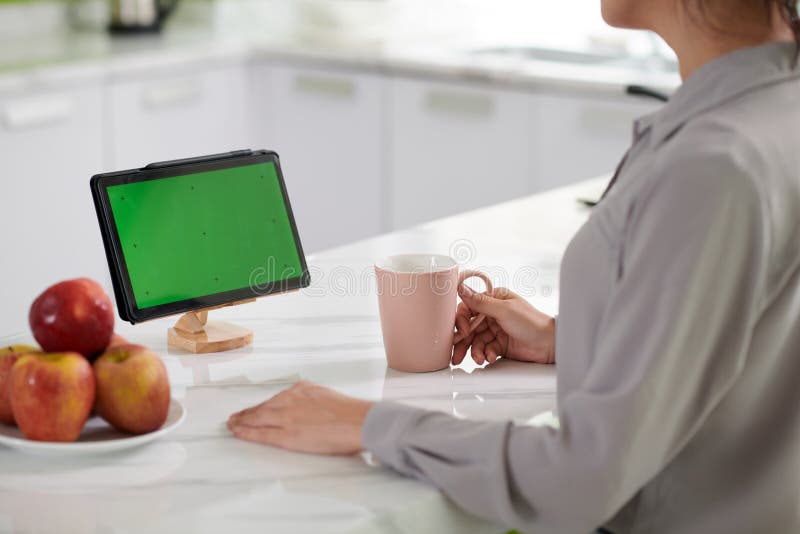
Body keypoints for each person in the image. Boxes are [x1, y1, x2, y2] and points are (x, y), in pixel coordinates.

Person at [227, 1, 800, 532]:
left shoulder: (712, 166)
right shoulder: (774, 109)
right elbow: (742, 339)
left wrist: (365, 423)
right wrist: (565, 340)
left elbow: (583, 477)